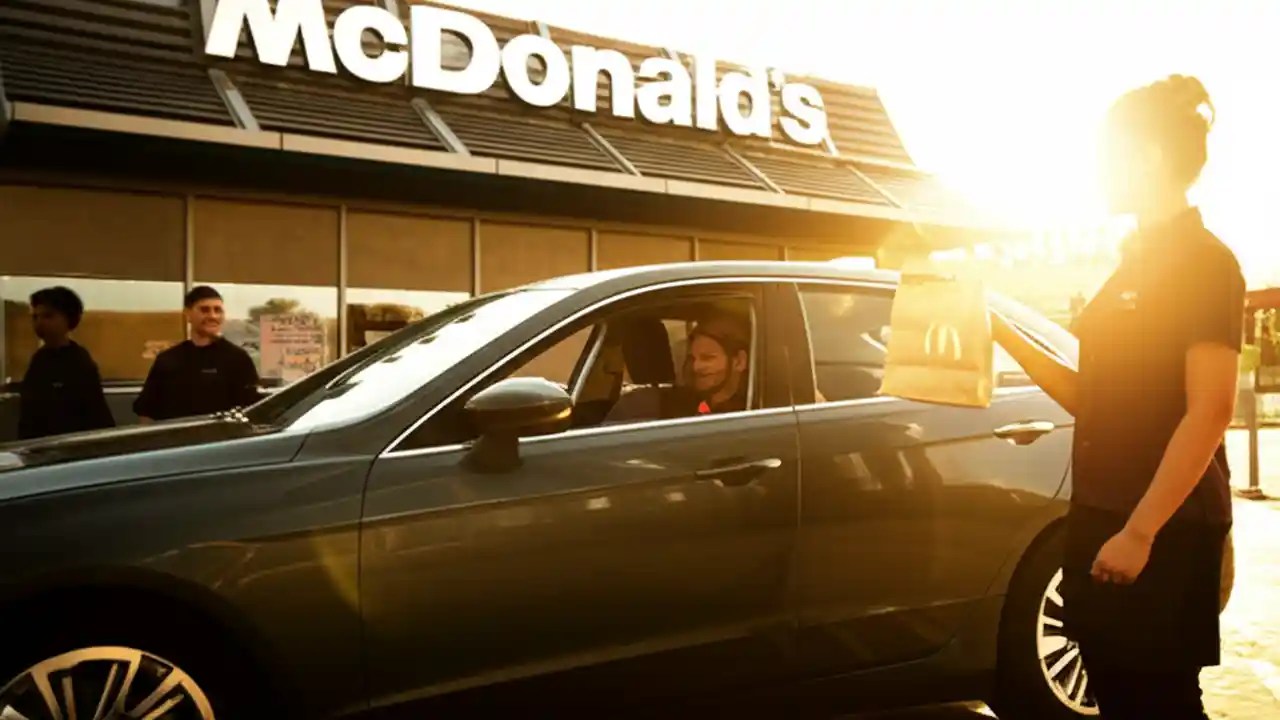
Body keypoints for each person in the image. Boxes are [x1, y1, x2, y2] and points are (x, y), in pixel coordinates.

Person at [993, 75, 1242, 719]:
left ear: (1149, 158)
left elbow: (1210, 409)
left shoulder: (1205, 264)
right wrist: (998, 331)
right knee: (1118, 694)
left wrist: (1140, 531)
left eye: (1109, 152)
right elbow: (1092, 400)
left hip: (1162, 527)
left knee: (1158, 702)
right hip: (1103, 514)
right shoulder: (1134, 263)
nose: (1098, 169)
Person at [134, 285, 261, 423]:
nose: (212, 316)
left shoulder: (238, 359)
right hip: (176, 440)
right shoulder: (167, 359)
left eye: (217, 310)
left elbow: (253, 412)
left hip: (221, 441)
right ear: (187, 314)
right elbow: (146, 412)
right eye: (204, 310)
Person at [17, 286, 115, 439]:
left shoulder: (79, 362)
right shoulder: (39, 358)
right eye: (35, 317)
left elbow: (94, 416)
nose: (39, 323)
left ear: (69, 319)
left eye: (48, 316)